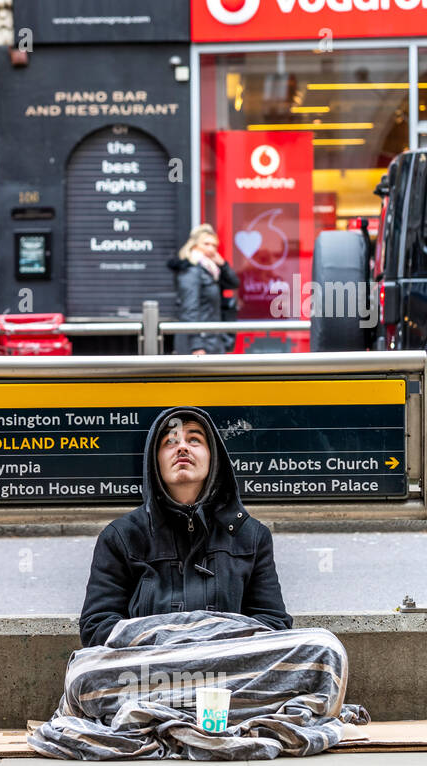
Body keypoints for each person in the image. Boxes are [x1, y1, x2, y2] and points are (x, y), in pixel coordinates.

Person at [77, 406, 292, 647]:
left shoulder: (251, 536)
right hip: (147, 675)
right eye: (170, 441)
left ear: (213, 457)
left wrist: (209, 642)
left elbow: (274, 623)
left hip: (228, 675)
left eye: (194, 439)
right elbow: (97, 627)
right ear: (154, 460)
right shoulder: (121, 537)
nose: (182, 447)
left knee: (324, 643)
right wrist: (174, 642)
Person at [167, 224, 239, 356]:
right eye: (206, 244)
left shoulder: (212, 270)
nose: (211, 249)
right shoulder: (191, 271)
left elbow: (233, 283)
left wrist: (222, 265)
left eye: (214, 245)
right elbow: (189, 310)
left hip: (212, 340)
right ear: (194, 245)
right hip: (199, 345)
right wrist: (197, 346)